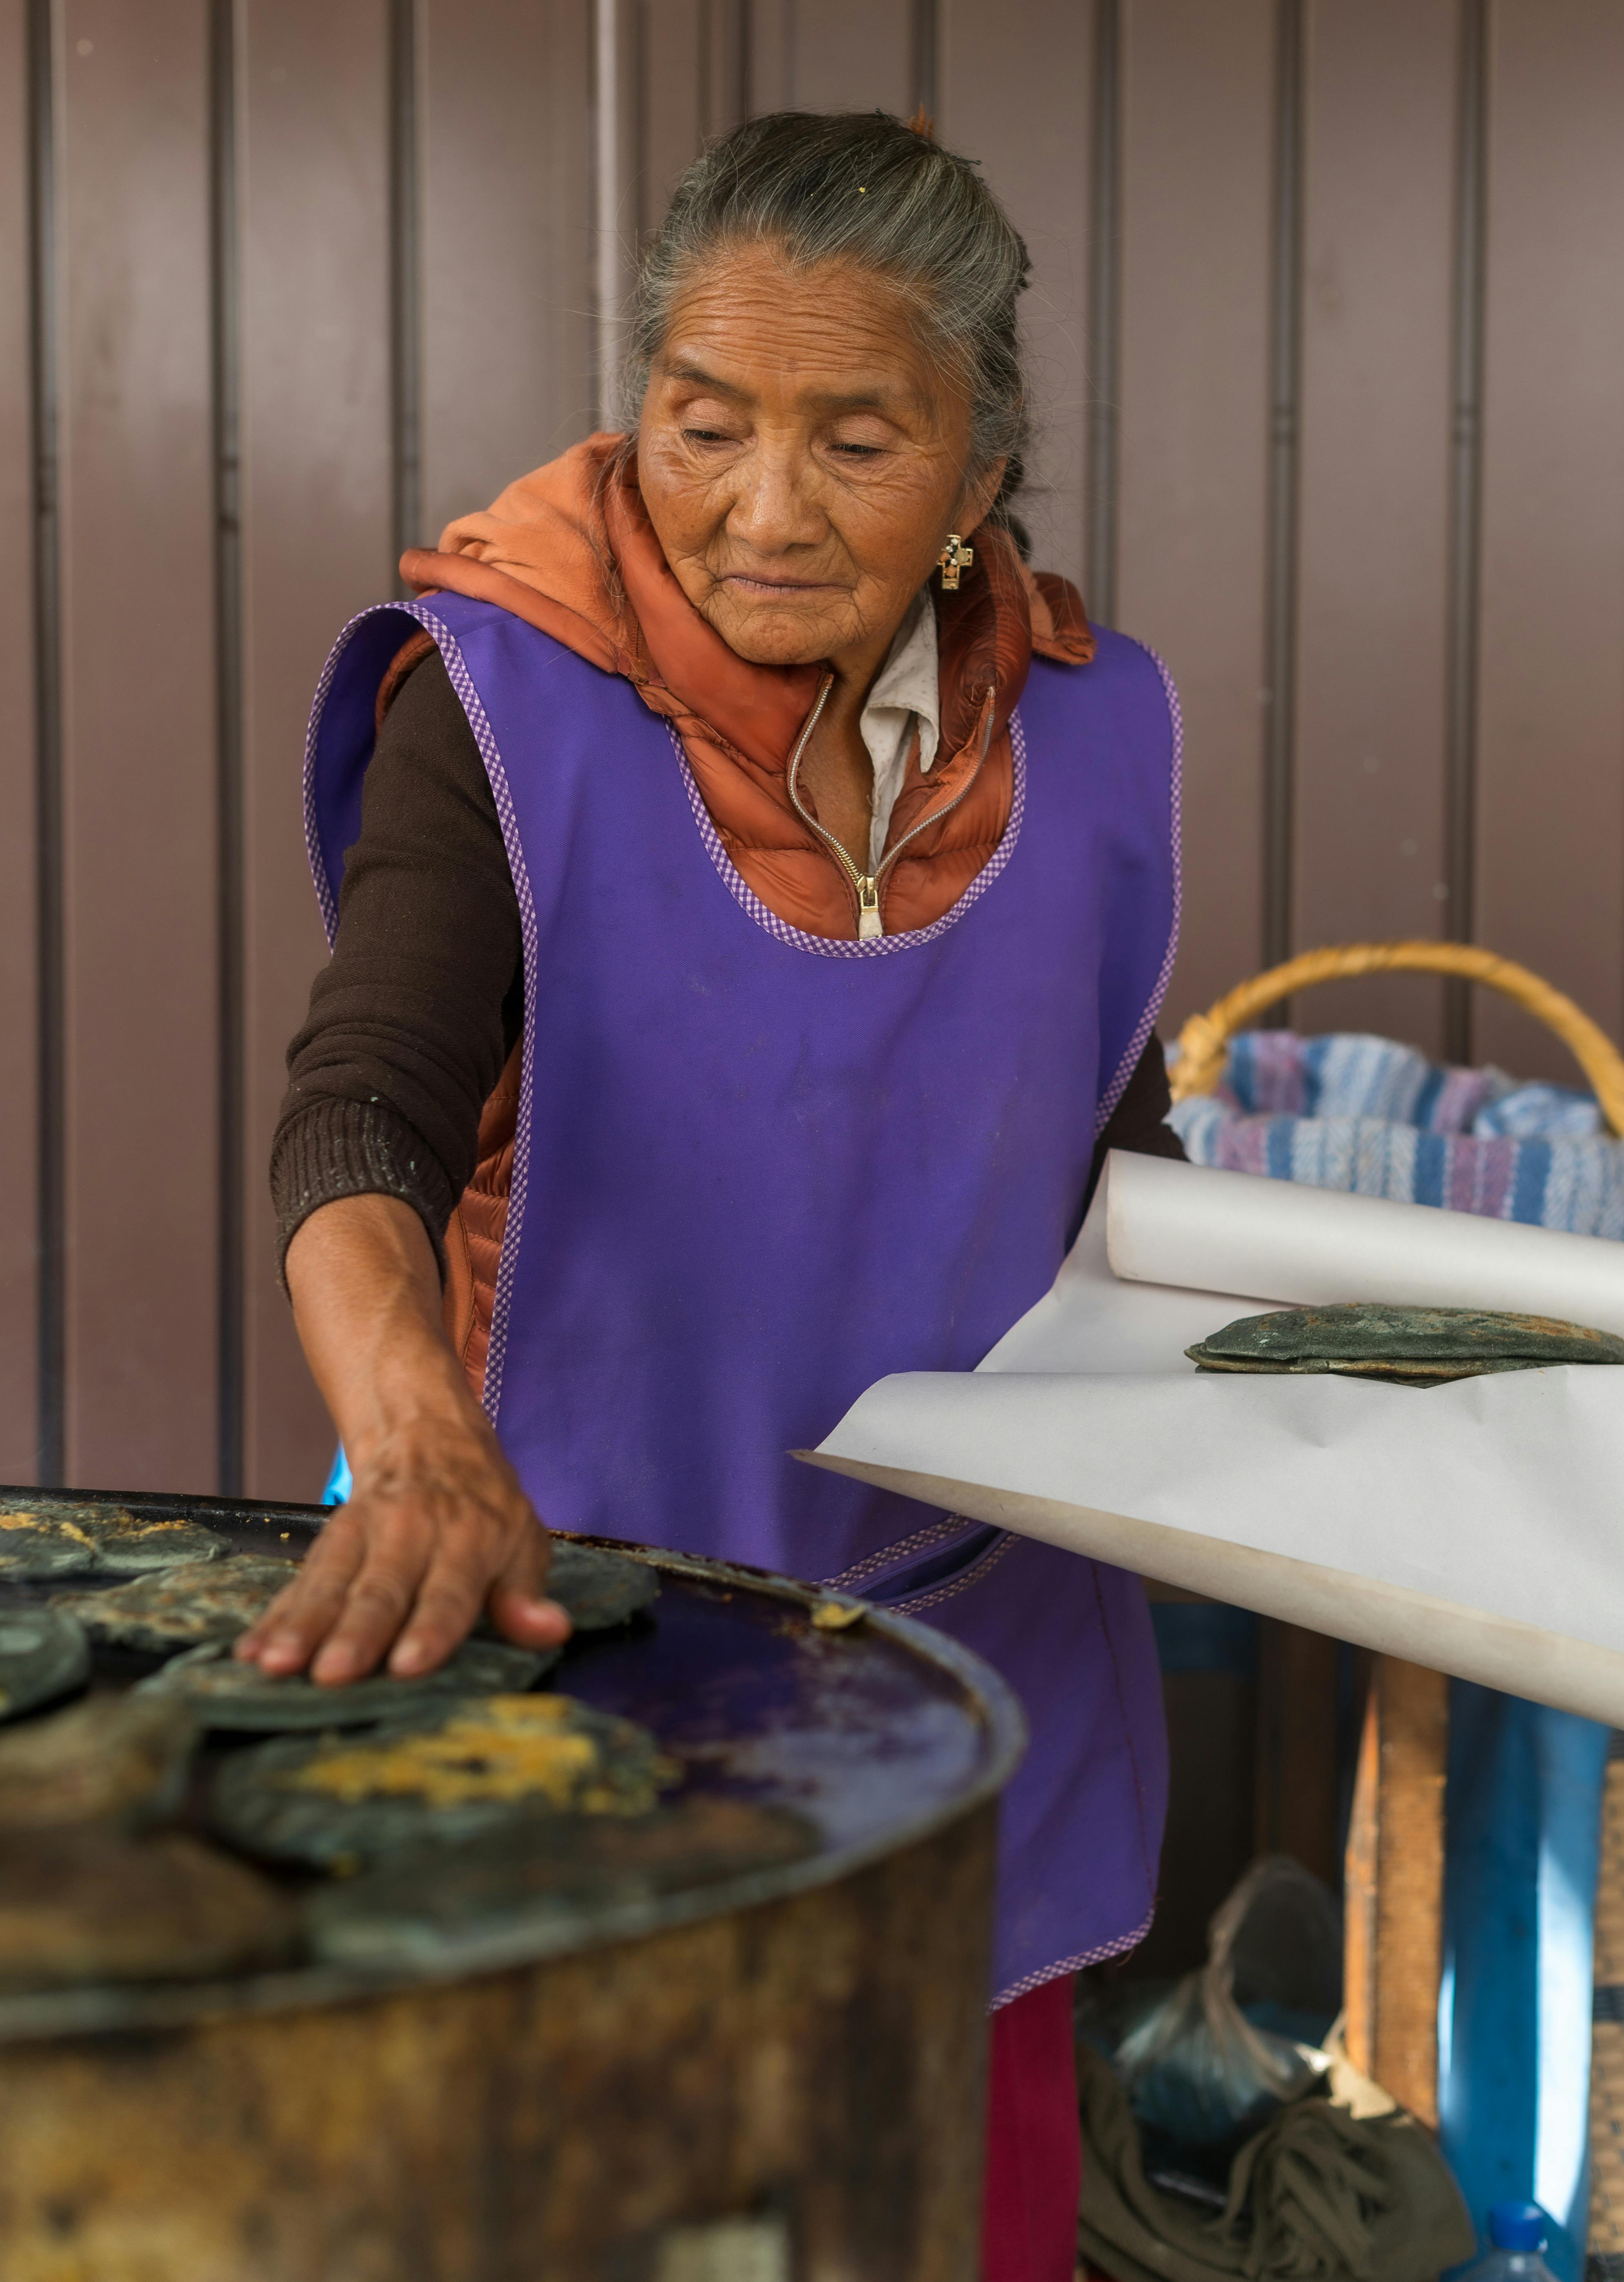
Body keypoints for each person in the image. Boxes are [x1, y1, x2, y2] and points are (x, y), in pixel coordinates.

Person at [247, 109, 1184, 2282]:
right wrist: (419, 1445)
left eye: (855, 438)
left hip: (972, 1689)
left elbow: (1104, 1183)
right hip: (566, 1629)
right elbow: (357, 1121)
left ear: (980, 463)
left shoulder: (1085, 739)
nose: (762, 511)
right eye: (704, 424)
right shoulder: (499, 705)